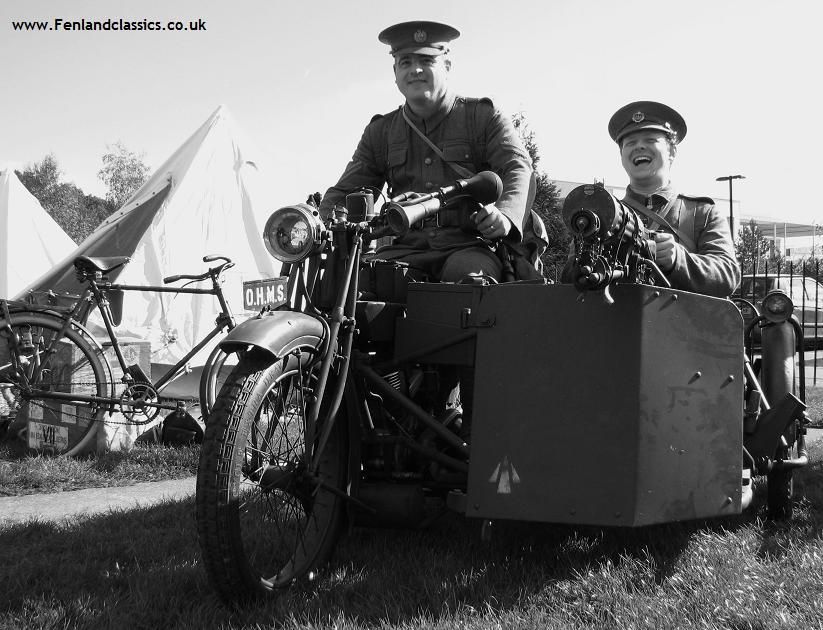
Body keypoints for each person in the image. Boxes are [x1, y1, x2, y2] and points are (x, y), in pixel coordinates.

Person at [319, 20, 537, 283]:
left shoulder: (482, 117)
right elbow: (346, 192)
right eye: (406, 62)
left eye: (426, 60)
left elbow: (517, 167)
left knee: (468, 287)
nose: (416, 70)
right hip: (403, 250)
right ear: (395, 71)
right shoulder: (381, 132)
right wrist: (314, 223)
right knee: (353, 294)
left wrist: (504, 215)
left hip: (468, 246)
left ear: (446, 66)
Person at [605, 101, 740, 297]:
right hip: (617, 325)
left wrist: (678, 259)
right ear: (621, 154)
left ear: (672, 151)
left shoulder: (702, 212)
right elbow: (570, 278)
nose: (639, 146)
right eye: (630, 143)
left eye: (651, 140)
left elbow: (727, 274)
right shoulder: (606, 214)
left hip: (683, 326)